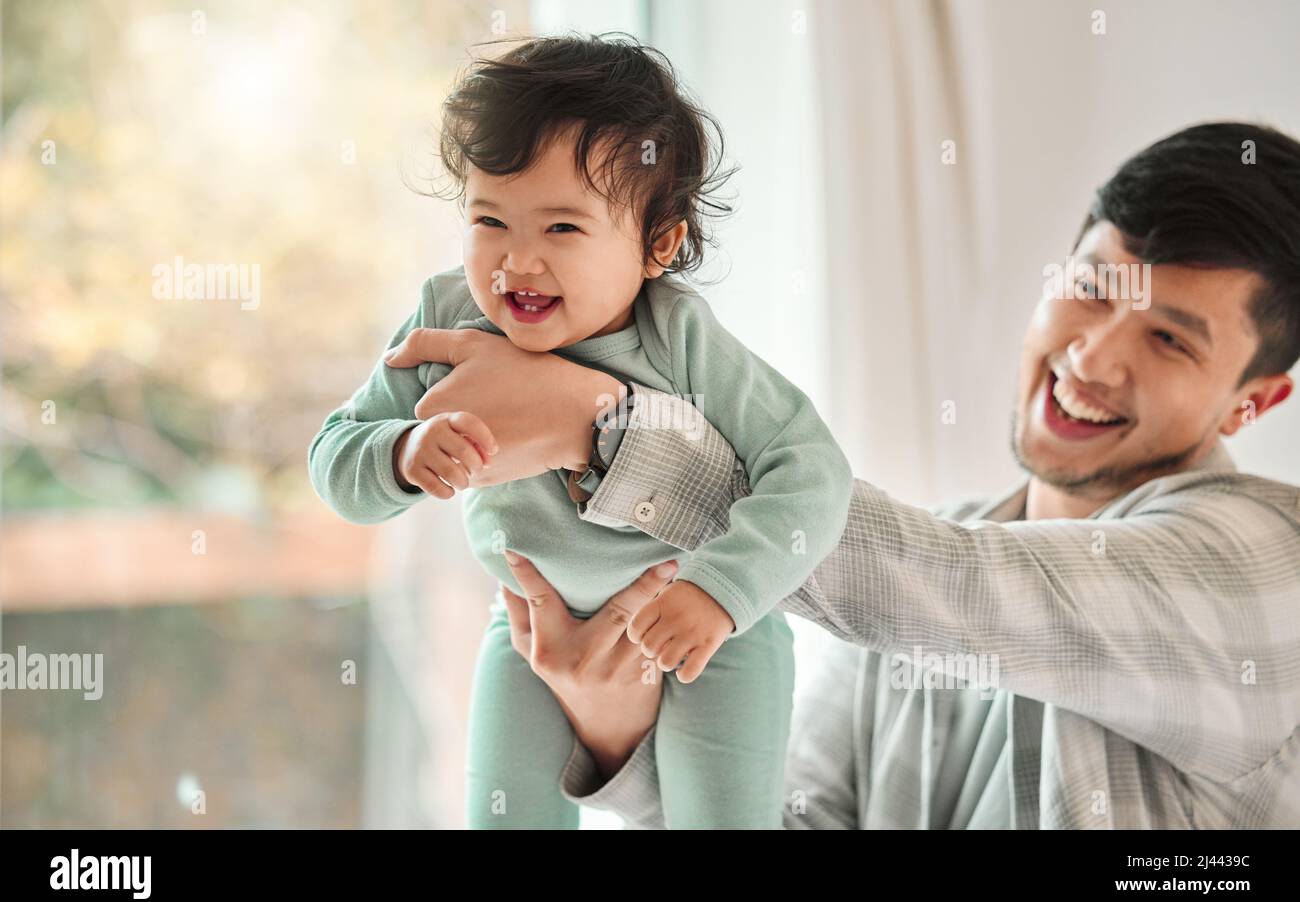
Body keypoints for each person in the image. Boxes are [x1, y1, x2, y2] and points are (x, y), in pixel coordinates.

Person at [382, 122, 1300, 828]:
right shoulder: (889, 589)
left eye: (1170, 339)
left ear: (1251, 404)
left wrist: (601, 425)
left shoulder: (1271, 565)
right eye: (1092, 290)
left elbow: (957, 590)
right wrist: (611, 719)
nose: (1092, 358)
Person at [308, 34, 853, 828]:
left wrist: (724, 592)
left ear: (658, 243)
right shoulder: (446, 319)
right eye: (490, 219)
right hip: (529, 625)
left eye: (561, 229)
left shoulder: (680, 337)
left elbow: (810, 468)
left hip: (712, 636)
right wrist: (398, 453)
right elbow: (333, 460)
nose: (517, 262)